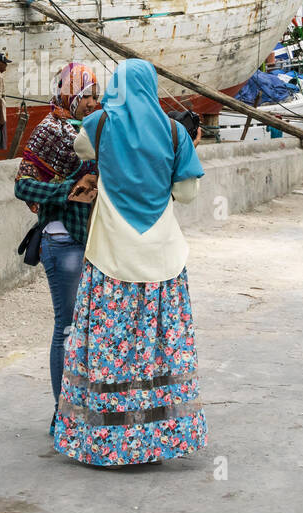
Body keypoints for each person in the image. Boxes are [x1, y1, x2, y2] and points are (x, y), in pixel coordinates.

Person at [53, 59, 207, 466]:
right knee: (158, 349)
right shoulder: (175, 132)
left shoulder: (100, 125)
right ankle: (157, 438)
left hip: (110, 258)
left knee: (109, 347)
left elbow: (79, 148)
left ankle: (106, 440)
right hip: (163, 259)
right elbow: (188, 194)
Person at [14, 62, 101, 435]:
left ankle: (78, 410)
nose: (94, 102)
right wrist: (64, 191)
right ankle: (61, 415)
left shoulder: (95, 128)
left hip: (90, 240)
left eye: (97, 95)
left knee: (85, 327)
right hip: (61, 239)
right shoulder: (49, 130)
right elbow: (22, 185)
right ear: (72, 95)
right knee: (66, 326)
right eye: (89, 95)